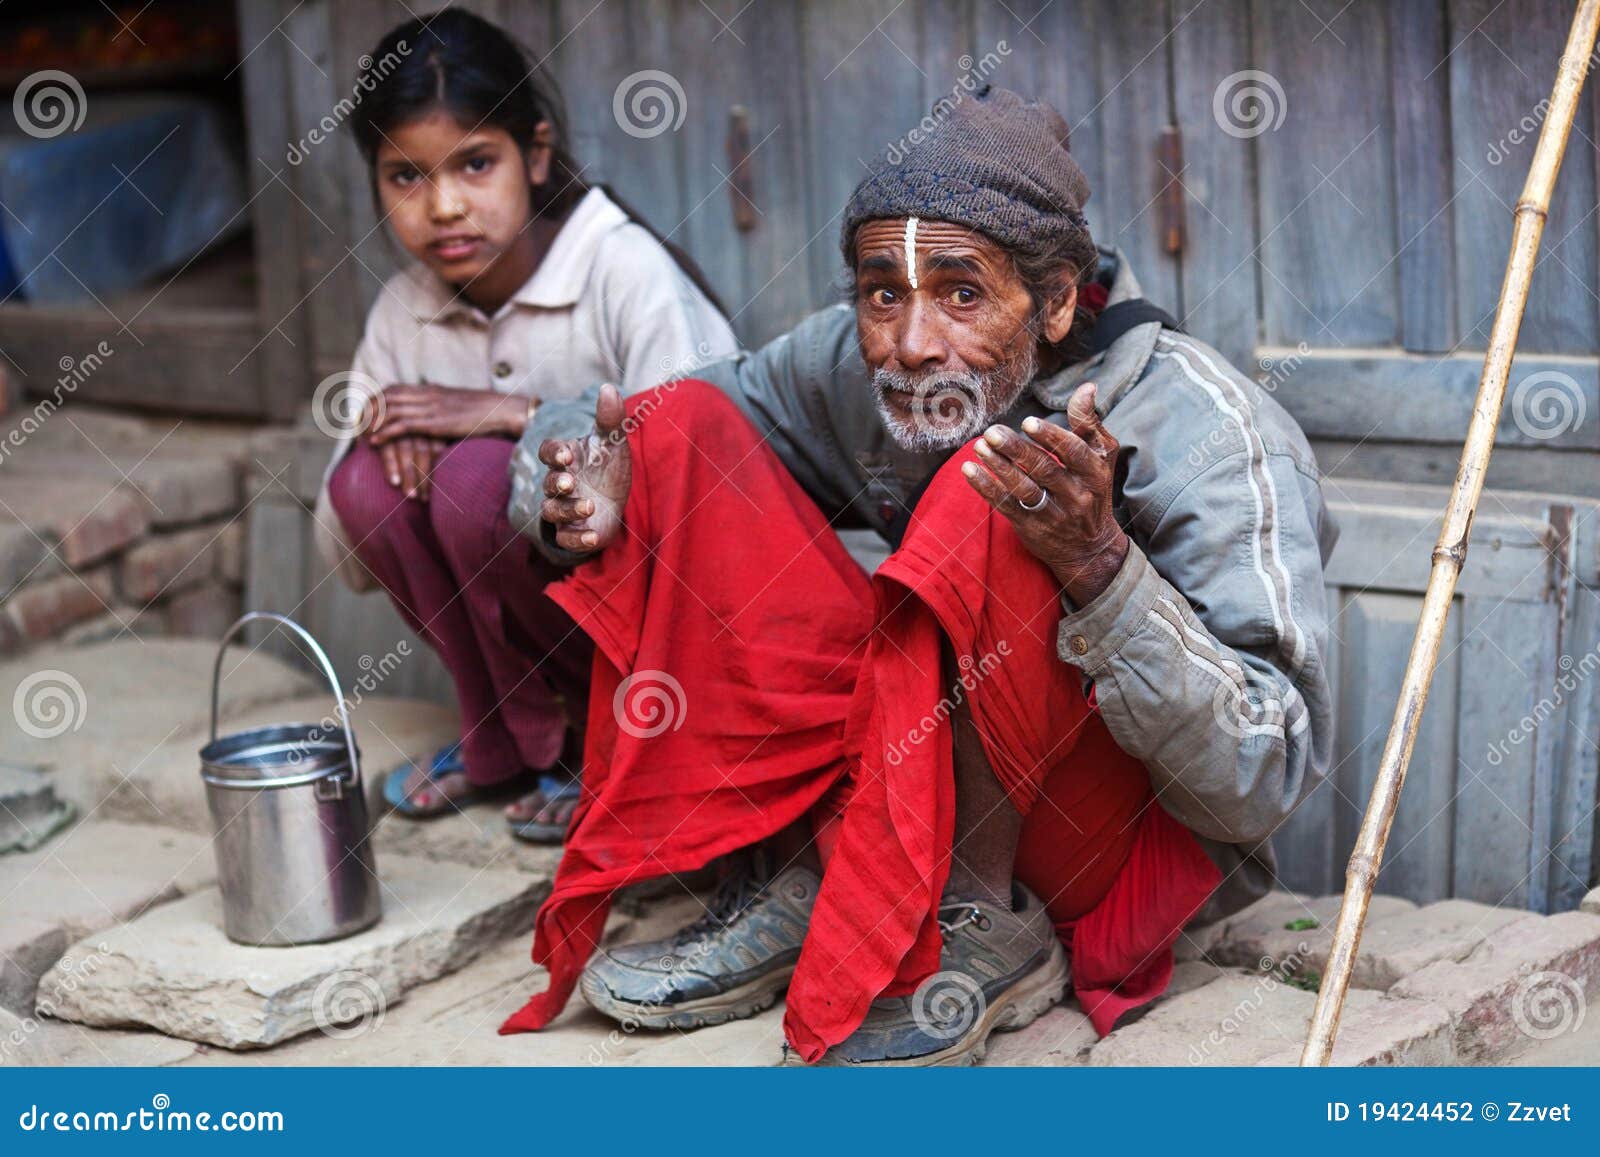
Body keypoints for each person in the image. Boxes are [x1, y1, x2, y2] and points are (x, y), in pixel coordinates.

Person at [499, 88, 1337, 1064]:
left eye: (962, 293)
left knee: (983, 492)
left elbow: (1263, 776)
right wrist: (579, 498)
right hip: (906, 786)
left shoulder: (1212, 430)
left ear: (1059, 297)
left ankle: (980, 928)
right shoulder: (850, 365)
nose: (909, 342)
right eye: (880, 293)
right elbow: (613, 426)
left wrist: (1100, 568)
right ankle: (824, 872)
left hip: (1095, 852)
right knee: (679, 433)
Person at [310, 8, 735, 841]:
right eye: (405, 176)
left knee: (480, 481)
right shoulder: (405, 312)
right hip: (543, 620)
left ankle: (603, 741)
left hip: (663, 640)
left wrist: (515, 419)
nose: (443, 205)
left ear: (535, 154)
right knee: (367, 477)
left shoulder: (619, 268)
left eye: (475, 163)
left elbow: (714, 483)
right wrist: (391, 445)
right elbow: (345, 551)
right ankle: (498, 737)